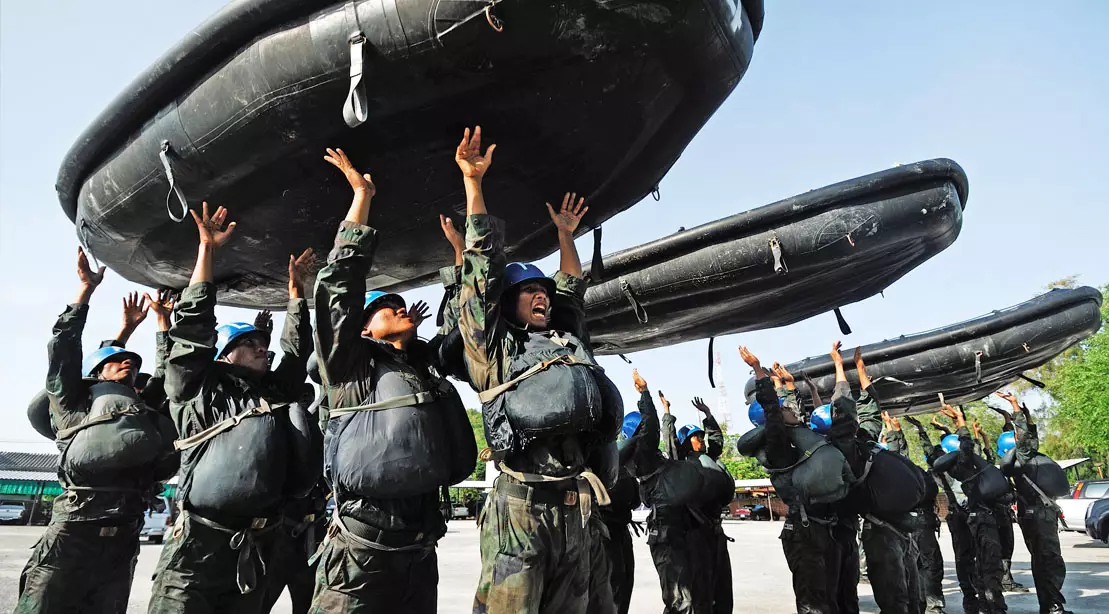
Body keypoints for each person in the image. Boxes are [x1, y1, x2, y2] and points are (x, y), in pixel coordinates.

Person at [453, 126, 621, 614]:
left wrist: (566, 235)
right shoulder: (495, 349)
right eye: (530, 291)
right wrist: (474, 185)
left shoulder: (566, 343)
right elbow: (480, 272)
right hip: (521, 509)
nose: (542, 295)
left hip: (576, 504)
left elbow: (570, 287)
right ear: (507, 303)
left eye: (542, 290)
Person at [307, 147, 477, 613]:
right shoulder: (350, 368)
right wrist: (361, 197)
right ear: (362, 329)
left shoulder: (427, 366)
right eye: (387, 307)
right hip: (361, 553)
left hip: (420, 551)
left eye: (403, 304)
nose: (401, 307)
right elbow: (338, 290)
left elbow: (471, 322)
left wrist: (461, 256)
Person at [147, 203, 323, 614]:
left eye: (263, 345)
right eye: (249, 344)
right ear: (223, 355)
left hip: (261, 549)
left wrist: (297, 296)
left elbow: (295, 355)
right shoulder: (197, 390)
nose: (262, 349)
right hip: (198, 550)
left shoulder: (274, 393)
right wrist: (207, 250)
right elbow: (191, 332)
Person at [17, 252, 178, 614]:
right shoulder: (73, 404)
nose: (129, 364)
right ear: (96, 374)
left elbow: (169, 379)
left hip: (124, 534)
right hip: (74, 530)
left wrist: (162, 324)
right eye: (119, 360)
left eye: (135, 366)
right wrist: (85, 291)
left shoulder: (143, 410)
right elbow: (63, 350)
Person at [741, 345, 855, 614]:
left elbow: (804, 417)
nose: (791, 410)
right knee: (813, 603)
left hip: (823, 528)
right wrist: (759, 372)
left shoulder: (800, 442)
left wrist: (795, 388)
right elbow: (772, 413)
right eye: (785, 409)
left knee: (833, 596)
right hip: (805, 534)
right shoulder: (780, 449)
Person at [625, 370, 711, 614]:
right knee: (680, 601)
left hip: (675, 527)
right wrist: (644, 394)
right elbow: (651, 428)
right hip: (666, 532)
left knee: (691, 593)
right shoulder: (642, 457)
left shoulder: (649, 459)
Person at [996, 391, 1072, 614]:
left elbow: (1028, 438)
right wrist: (1014, 407)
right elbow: (1024, 439)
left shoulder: (1023, 459)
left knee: (1045, 561)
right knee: (1049, 562)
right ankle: (1052, 607)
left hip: (1038, 516)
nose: (1029, 439)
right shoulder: (1023, 457)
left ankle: (1049, 605)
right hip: (1038, 517)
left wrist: (1025, 418)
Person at [934, 403, 1008, 614]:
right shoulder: (965, 469)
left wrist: (954, 427)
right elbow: (967, 448)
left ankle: (974, 602)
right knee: (989, 564)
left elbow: (961, 450)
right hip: (981, 519)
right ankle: (993, 606)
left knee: (967, 562)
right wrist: (961, 424)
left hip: (962, 520)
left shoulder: (946, 471)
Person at [973, 418, 1025, 594]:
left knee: (1008, 547)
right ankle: (998, 581)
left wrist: (984, 436)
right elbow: (980, 454)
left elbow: (988, 454)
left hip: (1005, 513)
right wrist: (976, 436)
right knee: (996, 548)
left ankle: (1006, 579)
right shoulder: (985, 473)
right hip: (994, 513)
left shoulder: (1001, 470)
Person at [902, 416, 948, 614]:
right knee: (930, 565)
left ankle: (919, 603)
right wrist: (923, 431)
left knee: (915, 565)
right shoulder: (928, 476)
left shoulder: (906, 474)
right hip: (924, 522)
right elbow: (934, 457)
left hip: (912, 523)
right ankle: (933, 604)